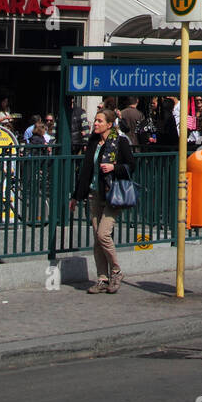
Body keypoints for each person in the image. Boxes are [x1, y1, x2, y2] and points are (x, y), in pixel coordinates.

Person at [69, 107, 135, 294]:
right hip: (95, 193)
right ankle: (102, 278)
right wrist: (76, 196)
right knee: (97, 238)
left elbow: (131, 165)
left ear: (109, 124)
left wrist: (113, 167)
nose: (95, 124)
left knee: (103, 234)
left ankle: (116, 271)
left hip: (112, 194)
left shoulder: (120, 142)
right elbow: (86, 170)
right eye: (95, 121)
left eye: (99, 121)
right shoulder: (93, 142)